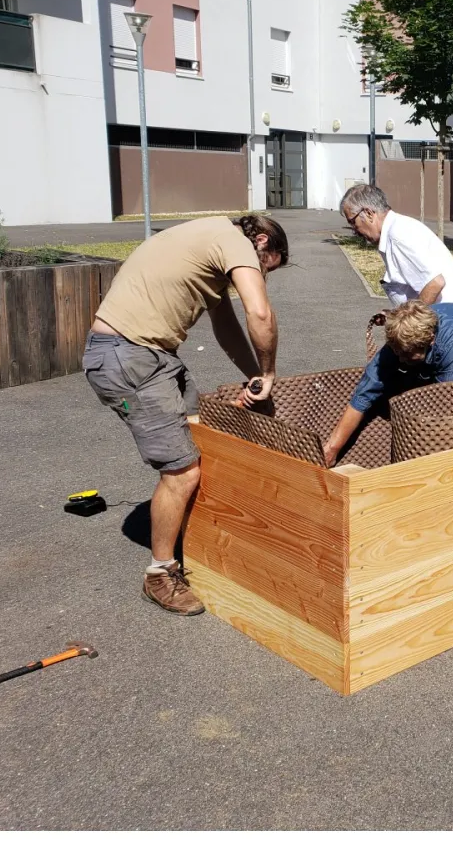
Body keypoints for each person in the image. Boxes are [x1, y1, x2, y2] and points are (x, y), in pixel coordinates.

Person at [83, 214, 288, 616]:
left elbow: (226, 327)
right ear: (261, 241)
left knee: (203, 440)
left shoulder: (209, 241)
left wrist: (252, 377)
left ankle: (202, 544)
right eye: (268, 266)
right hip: (128, 357)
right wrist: (267, 372)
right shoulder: (233, 241)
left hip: (153, 356)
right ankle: (160, 574)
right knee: (183, 470)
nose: (262, 274)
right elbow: (259, 314)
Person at [323, 301, 453, 465]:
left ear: (431, 340)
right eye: (398, 353)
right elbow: (364, 394)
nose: (401, 360)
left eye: (409, 356)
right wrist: (332, 447)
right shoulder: (401, 339)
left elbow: (446, 405)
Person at [340, 184, 453, 308]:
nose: (354, 231)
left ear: (369, 213)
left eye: (353, 222)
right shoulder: (398, 229)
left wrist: (406, 321)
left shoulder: (398, 236)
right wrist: (397, 315)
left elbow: (435, 283)